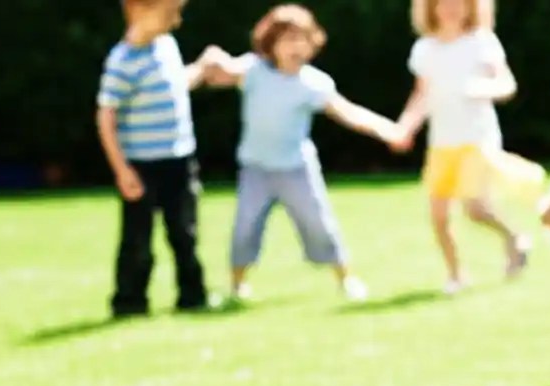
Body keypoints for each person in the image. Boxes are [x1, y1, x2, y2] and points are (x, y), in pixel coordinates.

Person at [203, 4, 404, 303]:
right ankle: (237, 287)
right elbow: (220, 73)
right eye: (286, 39)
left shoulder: (313, 83)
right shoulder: (253, 71)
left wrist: (386, 128)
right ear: (270, 43)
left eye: (301, 39)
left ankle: (346, 279)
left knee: (319, 224)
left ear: (312, 43)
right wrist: (213, 60)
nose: (295, 47)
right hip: (255, 168)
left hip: (296, 168)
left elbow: (347, 112)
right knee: (245, 227)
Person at [390, 0, 537, 296]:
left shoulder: (482, 42)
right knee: (439, 215)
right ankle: (456, 275)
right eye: (443, 2)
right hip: (441, 143)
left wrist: (483, 89)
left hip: (477, 139)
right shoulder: (424, 49)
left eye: (459, 2)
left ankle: (514, 237)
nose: (451, 7)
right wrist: (406, 126)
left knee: (475, 209)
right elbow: (421, 95)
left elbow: (507, 84)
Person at [96, 0, 221, 317]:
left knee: (185, 233)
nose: (177, 21)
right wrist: (122, 170)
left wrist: (202, 69)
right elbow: (106, 117)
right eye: (170, 13)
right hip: (141, 165)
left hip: (179, 159)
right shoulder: (123, 61)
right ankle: (129, 301)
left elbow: (174, 85)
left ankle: (193, 296)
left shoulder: (166, 46)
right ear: (139, 10)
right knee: (137, 240)